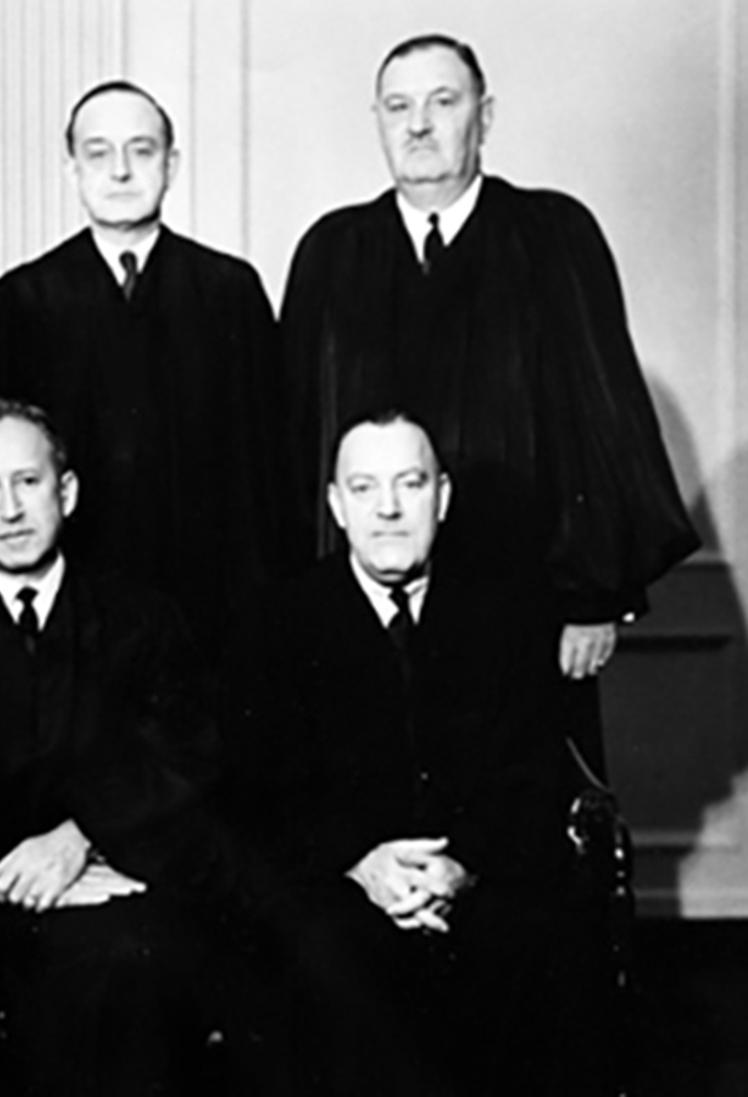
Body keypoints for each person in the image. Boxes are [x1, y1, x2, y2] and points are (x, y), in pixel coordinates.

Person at [279, 34, 698, 770]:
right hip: (371, 608)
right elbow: (295, 438)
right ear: (376, 118)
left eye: (444, 102)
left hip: (528, 609)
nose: (419, 125)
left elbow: (604, 419)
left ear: (485, 115)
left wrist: (594, 596)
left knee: (520, 827)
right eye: (399, 107)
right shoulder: (332, 251)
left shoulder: (553, 236)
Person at [0, 397, 248, 1097]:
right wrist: (16, 879)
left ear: (66, 491)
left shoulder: (140, 618)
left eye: (28, 482)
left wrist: (83, 837)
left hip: (109, 892)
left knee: (139, 969)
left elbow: (186, 758)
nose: (9, 508)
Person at [239, 412, 608, 1097]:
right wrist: (363, 864)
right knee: (325, 957)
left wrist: (457, 865)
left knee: (538, 949)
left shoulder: (506, 612)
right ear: (336, 505)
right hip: (341, 882)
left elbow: (531, 772)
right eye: (365, 487)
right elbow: (265, 793)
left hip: (478, 873)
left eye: (409, 484)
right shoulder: (280, 621)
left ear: (441, 498)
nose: (387, 508)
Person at [0, 79, 283, 661]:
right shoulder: (22, 301)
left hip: (208, 614)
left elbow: (260, 479)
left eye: (141, 150)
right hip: (71, 622)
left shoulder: (229, 292)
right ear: (71, 169)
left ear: (172, 163)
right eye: (98, 153)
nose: (120, 171)